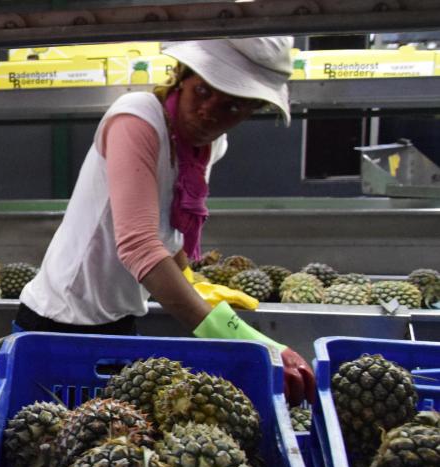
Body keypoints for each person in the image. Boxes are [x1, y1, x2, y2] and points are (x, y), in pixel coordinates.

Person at [16, 38, 315, 404]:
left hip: (119, 320)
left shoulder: (207, 147)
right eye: (203, 91)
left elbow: (165, 232)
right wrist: (247, 340)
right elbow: (139, 245)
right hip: (58, 324)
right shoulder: (137, 118)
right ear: (182, 77)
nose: (209, 112)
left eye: (232, 106)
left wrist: (192, 282)